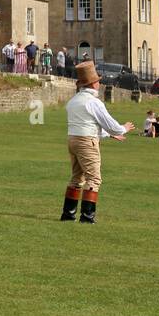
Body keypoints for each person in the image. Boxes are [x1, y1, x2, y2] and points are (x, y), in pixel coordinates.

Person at [61, 62, 135, 223]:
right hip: (87, 142)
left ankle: (68, 214)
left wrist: (109, 135)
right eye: (98, 81)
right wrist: (122, 129)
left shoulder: (73, 101)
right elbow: (108, 123)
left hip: (73, 140)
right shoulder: (93, 102)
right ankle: (87, 217)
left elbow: (89, 124)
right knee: (94, 179)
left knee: (76, 178)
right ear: (93, 83)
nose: (99, 83)